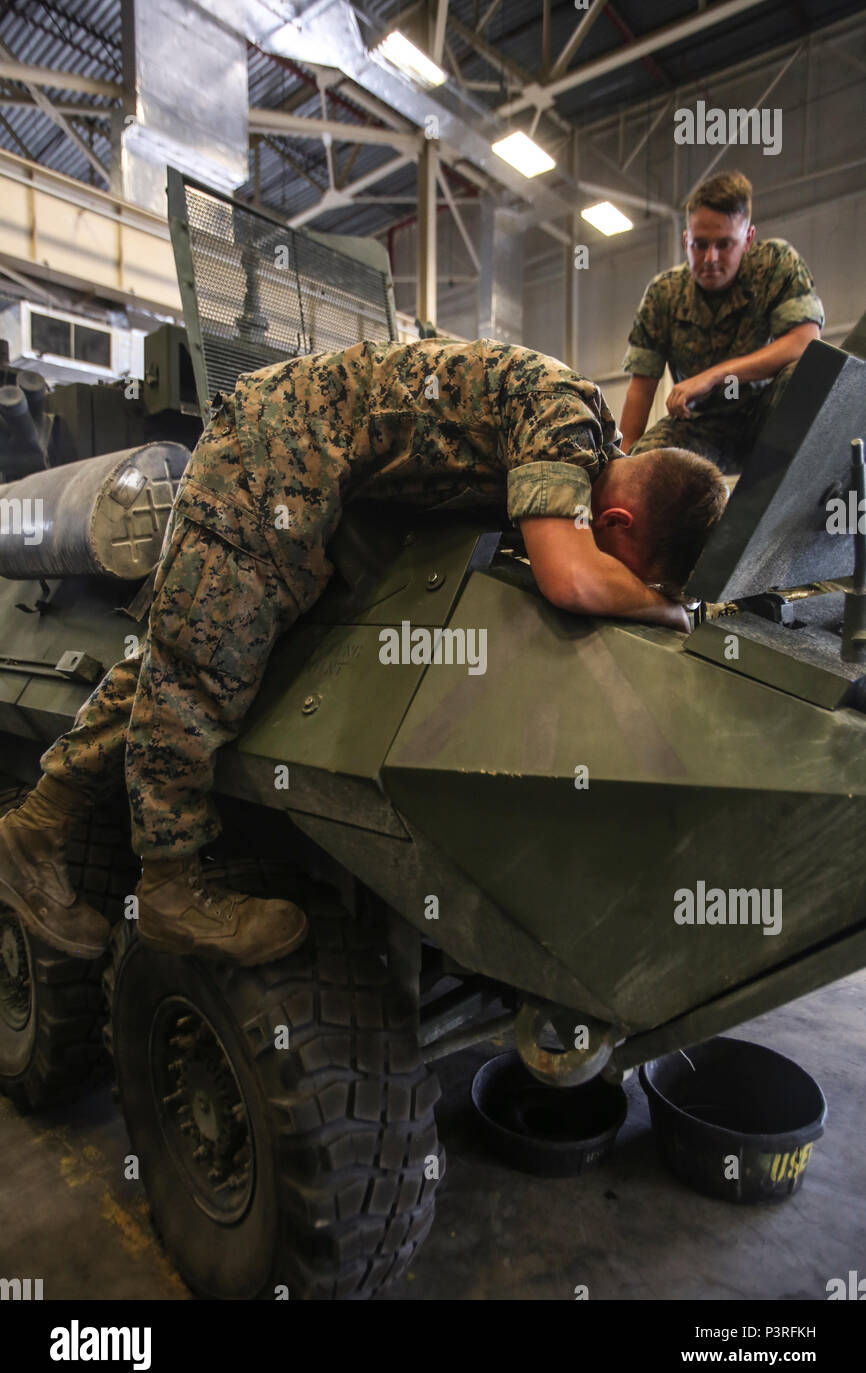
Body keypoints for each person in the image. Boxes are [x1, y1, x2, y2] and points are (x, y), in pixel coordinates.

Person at [0, 337, 727, 967]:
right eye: (633, 564)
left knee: (174, 656)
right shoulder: (568, 422)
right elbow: (569, 575)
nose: (627, 578)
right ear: (620, 519)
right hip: (274, 455)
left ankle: (36, 831)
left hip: (317, 474)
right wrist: (666, 605)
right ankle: (167, 885)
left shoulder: (580, 434)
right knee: (202, 671)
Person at [620, 171, 824, 470]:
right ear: (685, 239)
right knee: (643, 467)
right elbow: (641, 387)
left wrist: (713, 376)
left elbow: (805, 342)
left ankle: (802, 498)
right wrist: (622, 466)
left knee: (803, 376)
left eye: (724, 244)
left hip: (766, 416)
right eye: (699, 245)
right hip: (700, 424)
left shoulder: (775, 264)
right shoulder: (664, 294)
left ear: (748, 239)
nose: (710, 258)